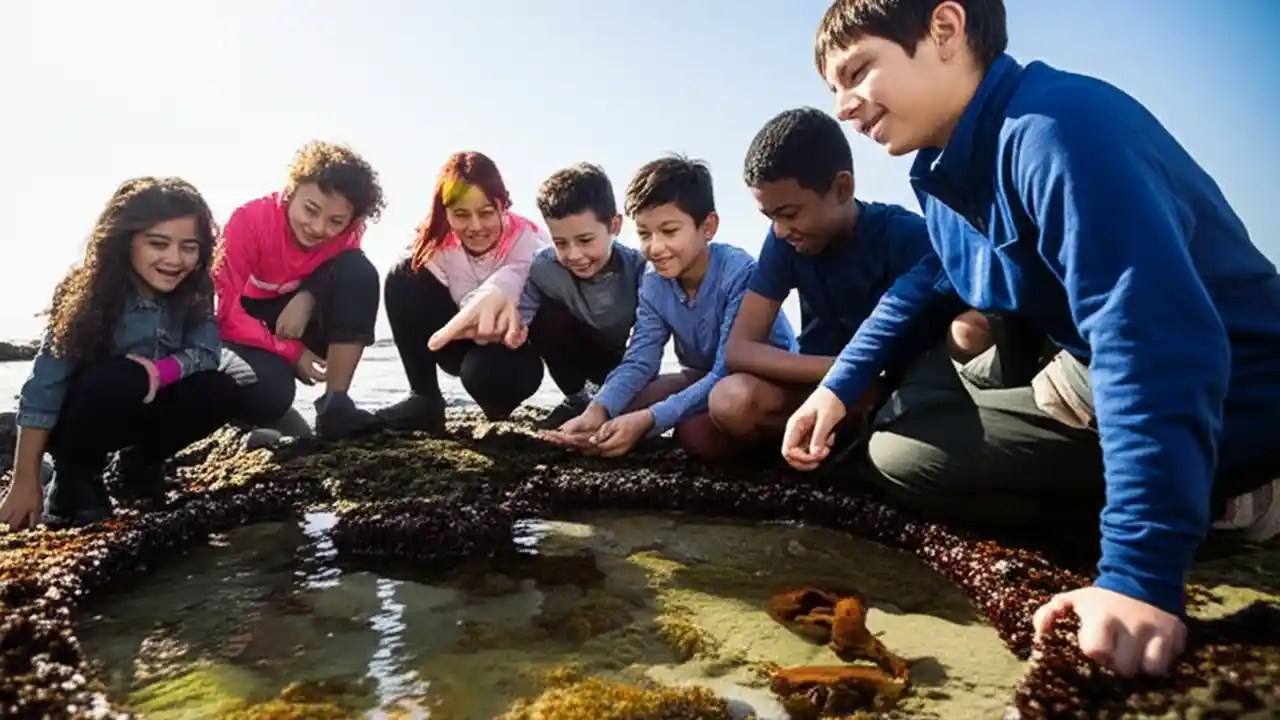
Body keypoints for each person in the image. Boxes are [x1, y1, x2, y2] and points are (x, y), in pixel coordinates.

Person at [788, 0, 1280, 679]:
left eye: (857, 72)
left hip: (1234, 397)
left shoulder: (1056, 130)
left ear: (945, 29)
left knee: (903, 455)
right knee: (910, 403)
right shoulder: (947, 167)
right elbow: (927, 283)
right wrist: (836, 389)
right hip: (1080, 367)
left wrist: (1138, 574)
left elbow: (1151, 339)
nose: (843, 107)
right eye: (832, 88)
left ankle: (1230, 497)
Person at [710, 106, 978, 446]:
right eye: (770, 218)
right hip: (830, 383)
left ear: (841, 188)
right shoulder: (783, 242)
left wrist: (867, 375)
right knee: (730, 401)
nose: (780, 230)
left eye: (790, 214)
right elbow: (739, 349)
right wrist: (846, 369)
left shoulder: (906, 236)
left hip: (897, 388)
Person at [0, 177, 238, 530]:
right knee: (124, 377)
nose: (175, 259)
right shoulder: (87, 293)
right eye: (158, 244)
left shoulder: (196, 289)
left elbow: (207, 352)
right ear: (126, 241)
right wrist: (25, 479)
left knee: (220, 389)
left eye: (189, 247)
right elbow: (43, 387)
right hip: (80, 419)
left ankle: (136, 467)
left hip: (140, 409)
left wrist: (160, 372)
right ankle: (72, 479)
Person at [544, 155, 797, 459]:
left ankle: (784, 440)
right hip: (703, 378)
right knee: (621, 404)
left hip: (760, 382)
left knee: (703, 428)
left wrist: (650, 419)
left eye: (669, 231)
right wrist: (597, 411)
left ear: (708, 227)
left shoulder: (738, 272)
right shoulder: (654, 281)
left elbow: (726, 368)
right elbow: (641, 359)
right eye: (644, 234)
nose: (655, 247)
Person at [214, 140, 384, 440]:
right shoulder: (249, 221)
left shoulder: (350, 230)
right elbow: (226, 314)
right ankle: (250, 420)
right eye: (310, 209)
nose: (318, 228)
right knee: (272, 393)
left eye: (335, 221)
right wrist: (291, 352)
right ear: (291, 191)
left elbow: (344, 274)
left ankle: (335, 406)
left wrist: (309, 296)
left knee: (359, 271)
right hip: (246, 321)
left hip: (299, 315)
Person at [379, 151, 547, 431]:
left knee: (488, 374)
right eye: (461, 214)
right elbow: (409, 295)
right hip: (456, 339)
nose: (475, 226)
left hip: (513, 348)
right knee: (404, 272)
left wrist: (501, 292)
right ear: (445, 212)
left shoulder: (530, 240)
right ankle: (424, 397)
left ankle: (505, 408)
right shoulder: (434, 242)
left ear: (503, 205)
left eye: (486, 212)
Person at [518, 163, 647, 429]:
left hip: (620, 359)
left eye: (585, 240)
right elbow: (522, 317)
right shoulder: (543, 267)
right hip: (573, 350)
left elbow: (649, 339)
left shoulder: (639, 270)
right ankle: (576, 399)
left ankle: (607, 401)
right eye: (560, 243)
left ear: (614, 225)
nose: (574, 255)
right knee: (545, 315)